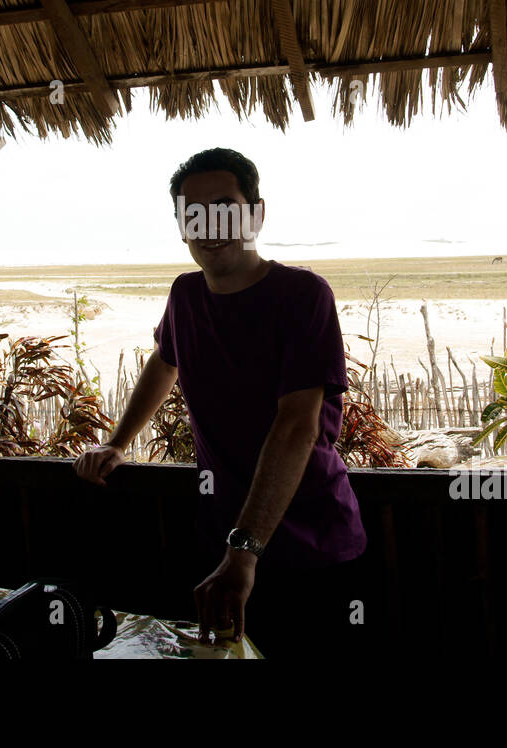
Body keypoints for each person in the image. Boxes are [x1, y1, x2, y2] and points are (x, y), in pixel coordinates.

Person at [74, 148, 373, 659]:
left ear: (256, 213)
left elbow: (297, 426)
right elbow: (164, 361)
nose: (210, 224)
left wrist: (246, 551)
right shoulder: (186, 295)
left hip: (311, 544)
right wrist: (118, 442)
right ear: (181, 226)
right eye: (194, 212)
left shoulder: (302, 295)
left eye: (225, 207)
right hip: (222, 541)